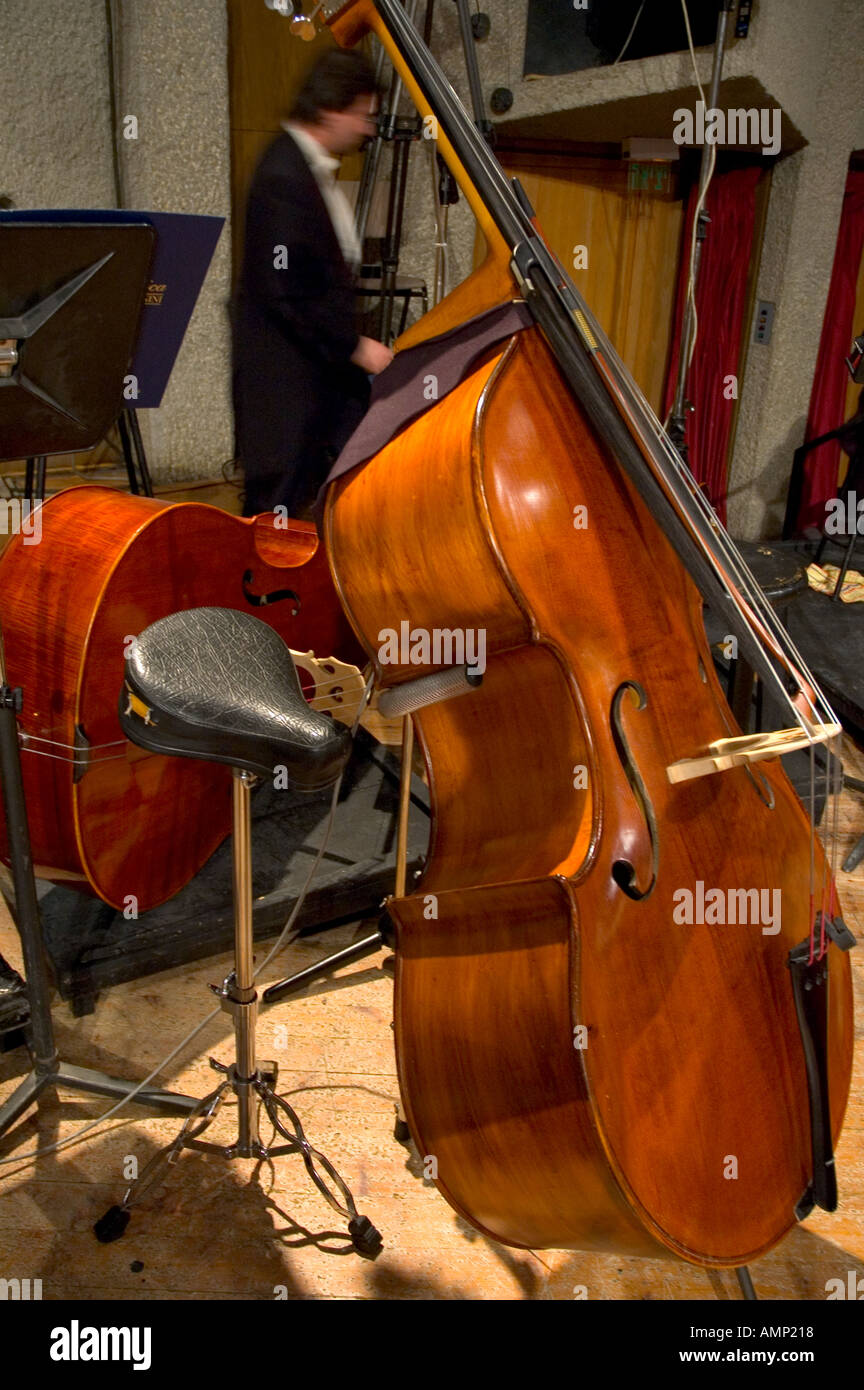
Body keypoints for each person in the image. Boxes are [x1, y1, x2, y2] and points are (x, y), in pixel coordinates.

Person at [233, 50, 392, 518]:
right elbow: (285, 291)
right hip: (287, 388)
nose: (366, 129)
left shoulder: (304, 168)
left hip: (317, 381)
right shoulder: (284, 174)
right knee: (276, 518)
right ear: (330, 108)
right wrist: (355, 345)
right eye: (362, 116)